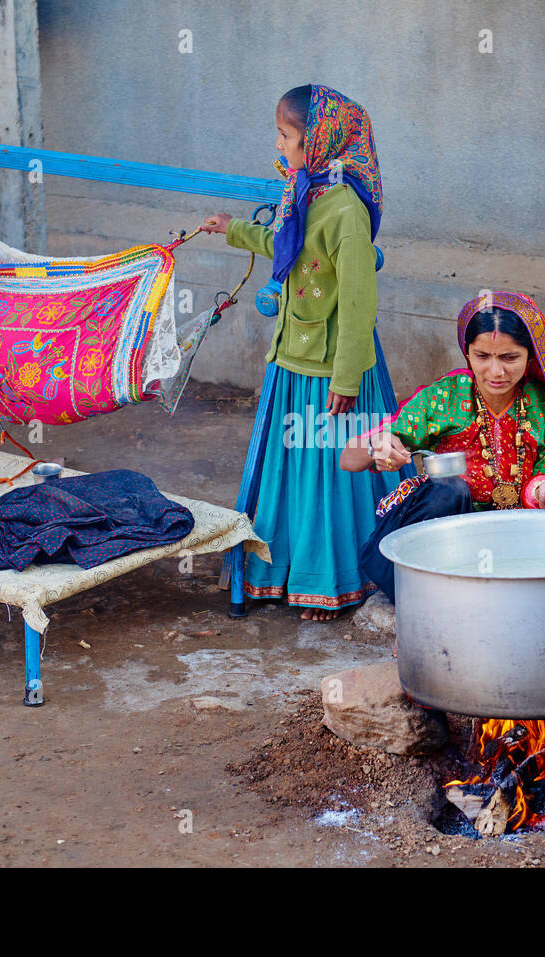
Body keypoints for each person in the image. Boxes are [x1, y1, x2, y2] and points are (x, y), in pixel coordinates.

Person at [203, 84, 407, 620]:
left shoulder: (346, 211)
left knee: (330, 473)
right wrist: (235, 232)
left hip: (332, 372)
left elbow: (360, 303)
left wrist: (345, 381)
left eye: (286, 135)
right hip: (293, 362)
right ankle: (284, 571)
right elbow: (289, 249)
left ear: (318, 141)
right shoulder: (306, 191)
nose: (278, 144)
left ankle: (334, 581)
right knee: (290, 470)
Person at [340, 291, 545, 603]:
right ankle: (419, 603)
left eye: (509, 357)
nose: (496, 372)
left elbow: (542, 475)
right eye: (482, 357)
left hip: (509, 535)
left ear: (531, 357)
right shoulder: (445, 398)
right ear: (467, 353)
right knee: (449, 491)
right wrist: (377, 446)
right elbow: (348, 460)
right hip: (443, 542)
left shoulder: (544, 407)